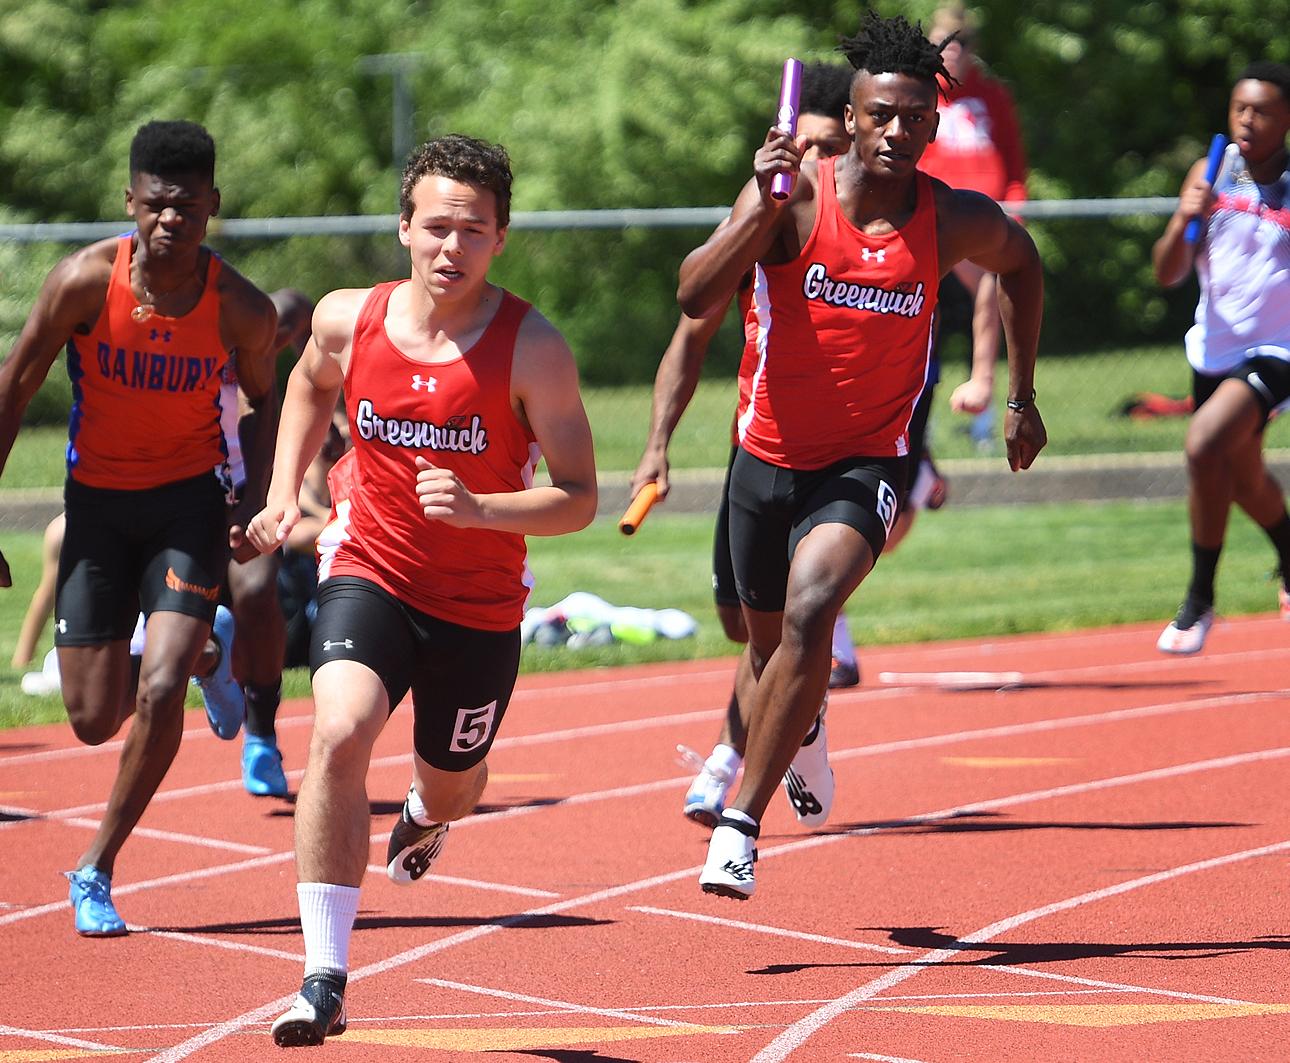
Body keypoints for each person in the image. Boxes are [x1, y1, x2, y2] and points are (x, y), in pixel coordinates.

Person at [678, 11, 1045, 900]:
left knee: (812, 611)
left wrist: (1021, 396)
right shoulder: (796, 198)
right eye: (880, 114)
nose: (895, 132)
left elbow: (1023, 265)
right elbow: (693, 292)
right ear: (852, 117)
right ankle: (805, 726)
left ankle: (738, 825)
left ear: (933, 125)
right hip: (765, 456)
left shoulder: (950, 217)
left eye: (915, 119)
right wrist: (756, 207)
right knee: (766, 648)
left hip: (866, 460)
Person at [246, 134, 597, 1046]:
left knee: (451, 785)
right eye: (437, 226)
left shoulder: (533, 349)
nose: (453, 246)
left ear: (500, 239)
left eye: (474, 230)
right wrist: (284, 492)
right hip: (370, 566)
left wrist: (482, 510)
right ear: (404, 227)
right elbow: (307, 385)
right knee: (338, 728)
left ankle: (425, 811)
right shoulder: (346, 319)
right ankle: (324, 975)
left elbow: (580, 497)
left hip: (478, 603)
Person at [0, 120, 278, 934]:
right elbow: (15, 386)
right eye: (156, 204)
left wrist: (251, 499)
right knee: (92, 718)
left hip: (187, 506)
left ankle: (96, 867)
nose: (170, 221)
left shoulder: (239, 307)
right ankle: (207, 649)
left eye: (187, 206)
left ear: (212, 205)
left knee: (158, 691)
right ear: (130, 201)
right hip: (97, 507)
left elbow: (264, 402)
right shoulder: (84, 282)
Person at [628, 62, 859, 830]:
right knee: (745, 626)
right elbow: (690, 332)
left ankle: (735, 762)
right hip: (758, 445)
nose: (818, 165)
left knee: (797, 621)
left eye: (832, 150)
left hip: (841, 455)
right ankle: (798, 707)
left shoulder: (874, 217)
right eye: (806, 149)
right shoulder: (770, 210)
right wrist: (657, 443)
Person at [1152, 62, 1290, 655]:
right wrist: (1187, 215)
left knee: (1204, 444)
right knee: (1242, 478)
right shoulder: (1211, 173)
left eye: (1262, 111)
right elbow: (1166, 272)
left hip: (1278, 351)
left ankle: (1199, 599)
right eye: (1240, 109)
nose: (1248, 120)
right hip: (1213, 350)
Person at [920, 2, 1030, 452]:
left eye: (960, 43)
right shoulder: (920, 94)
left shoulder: (992, 96)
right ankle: (915, 412)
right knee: (916, 306)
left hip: (984, 220)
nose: (951, 51)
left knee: (990, 289)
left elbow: (1014, 163)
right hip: (932, 218)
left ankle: (982, 404)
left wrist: (1015, 211)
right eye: (942, 43)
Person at [220, 288, 315, 796]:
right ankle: (210, 664)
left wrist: (321, 386)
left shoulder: (255, 326)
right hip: (177, 497)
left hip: (245, 490)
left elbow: (299, 308)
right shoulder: (158, 339)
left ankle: (260, 734)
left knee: (258, 591)